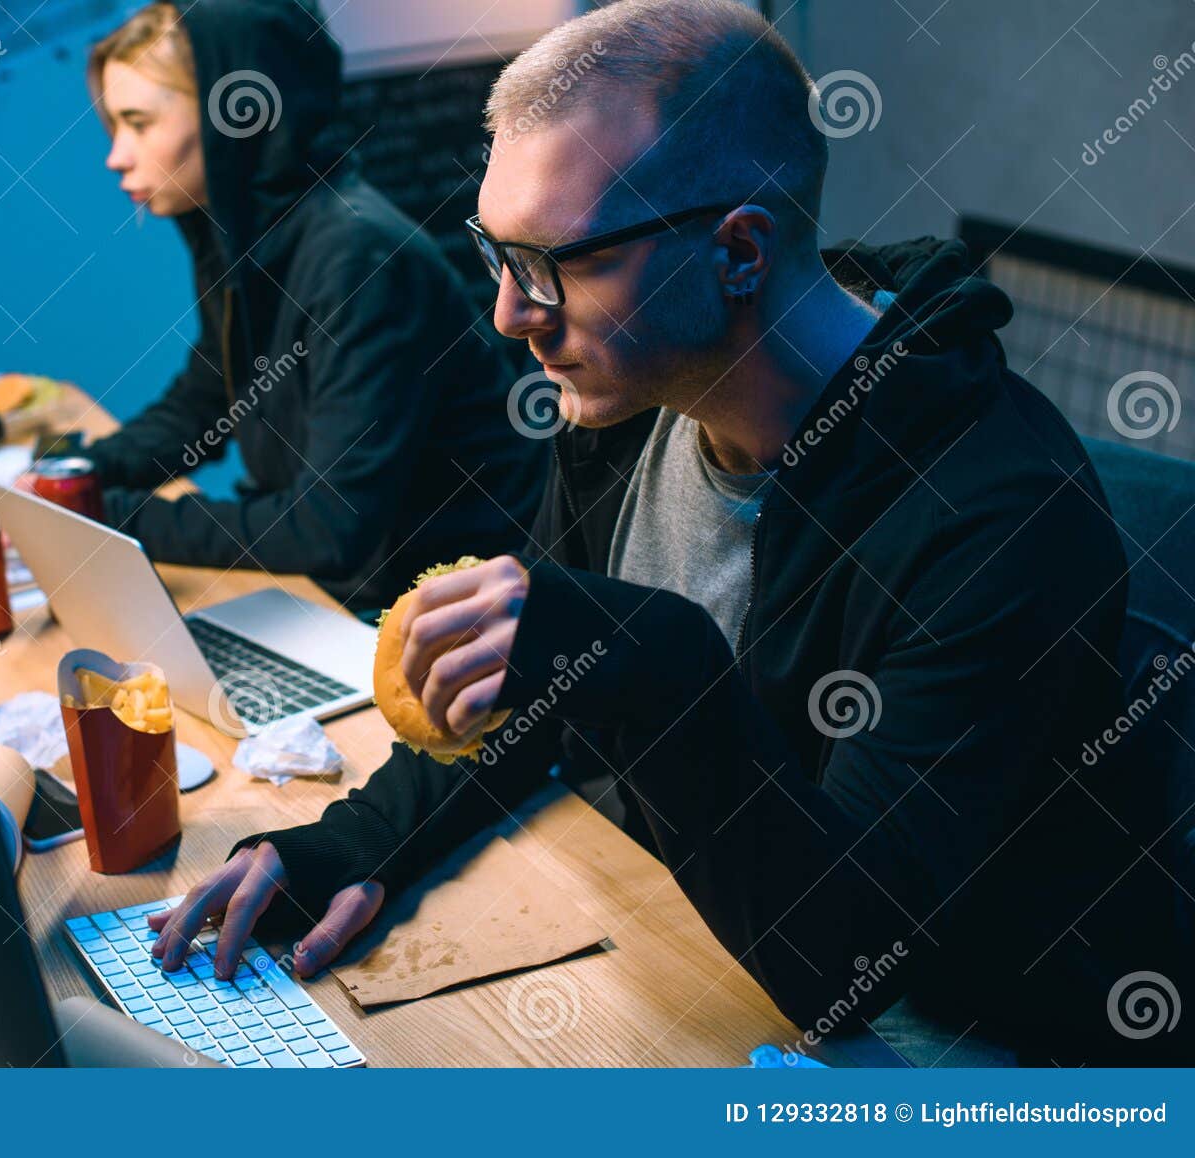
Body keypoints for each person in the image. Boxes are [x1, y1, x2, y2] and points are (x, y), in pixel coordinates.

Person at [141, 0, 1191, 1064]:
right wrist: (358, 843)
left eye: (551, 263)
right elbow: (541, 694)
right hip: (692, 918)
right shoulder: (629, 389)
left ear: (737, 252)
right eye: (496, 253)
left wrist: (649, 656)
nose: (509, 313)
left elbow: (848, 960)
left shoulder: (1001, 519)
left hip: (960, 1030)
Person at [72, 0, 545, 614]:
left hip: (444, 606)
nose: (116, 156)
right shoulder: (244, 238)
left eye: (138, 123)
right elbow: (203, 400)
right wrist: (74, 473)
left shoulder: (357, 256)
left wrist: (110, 516)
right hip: (353, 589)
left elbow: (330, 529)